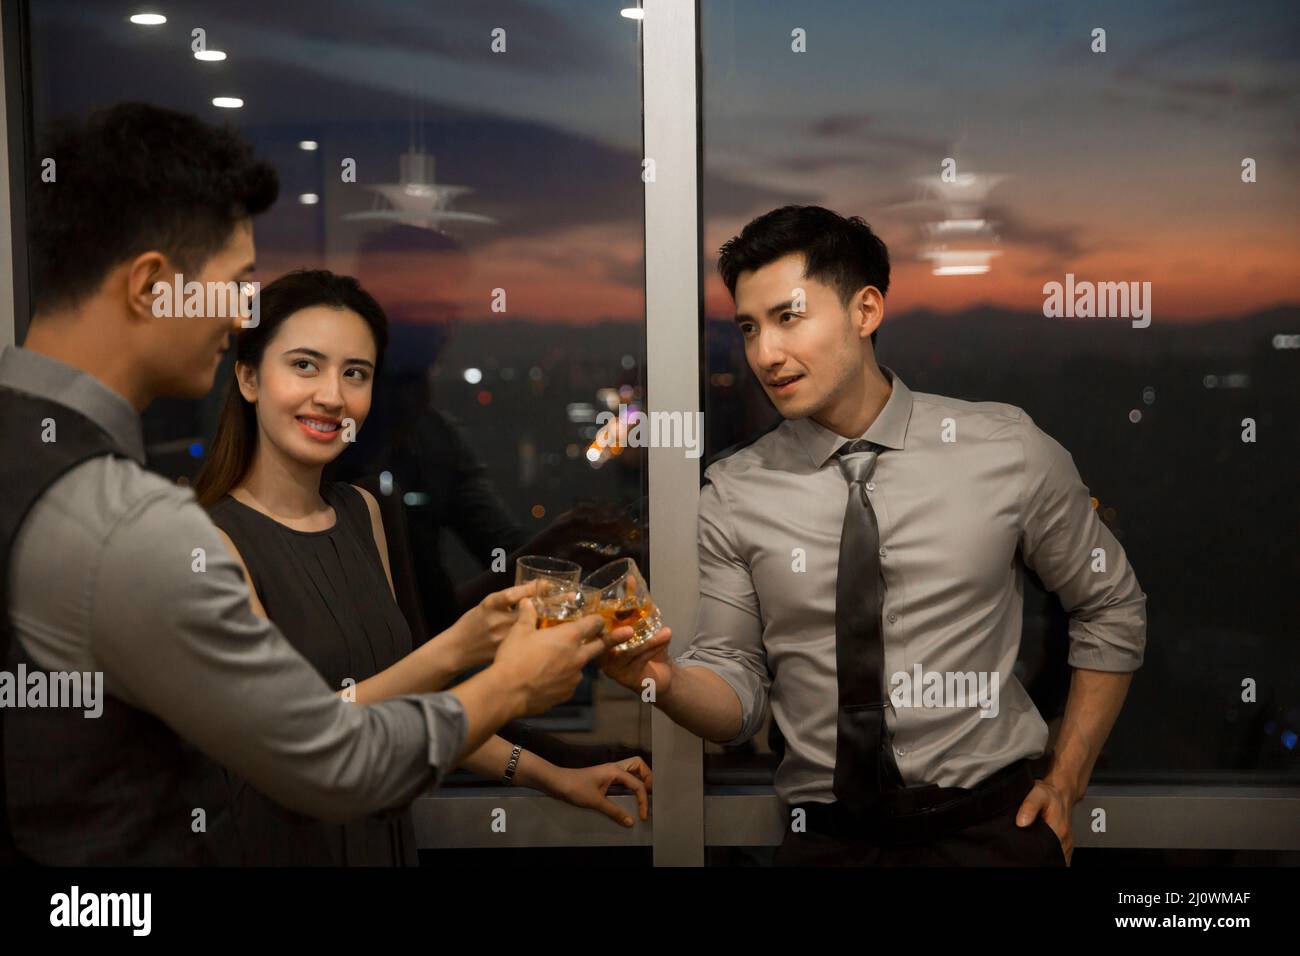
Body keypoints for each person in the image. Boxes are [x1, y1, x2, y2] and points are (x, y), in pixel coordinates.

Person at [0, 102, 628, 865]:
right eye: (234, 286)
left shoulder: (356, 511)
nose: (237, 316)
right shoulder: (136, 526)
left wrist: (522, 735)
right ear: (151, 288)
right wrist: (509, 684)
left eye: (355, 373)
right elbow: (324, 756)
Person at [603, 205, 1148, 866]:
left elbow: (1109, 605)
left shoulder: (1005, 449)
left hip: (991, 833)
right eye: (749, 328)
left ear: (865, 311)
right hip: (828, 844)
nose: (765, 354)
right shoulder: (735, 493)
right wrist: (660, 679)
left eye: (788, 317)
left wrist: (1067, 778)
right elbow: (738, 691)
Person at [193, 269, 652, 863]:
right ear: (249, 377)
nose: (332, 395)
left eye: (354, 373)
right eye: (304, 365)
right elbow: (288, 742)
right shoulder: (208, 543)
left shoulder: (362, 515)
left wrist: (549, 774)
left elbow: (399, 715)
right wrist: (456, 651)